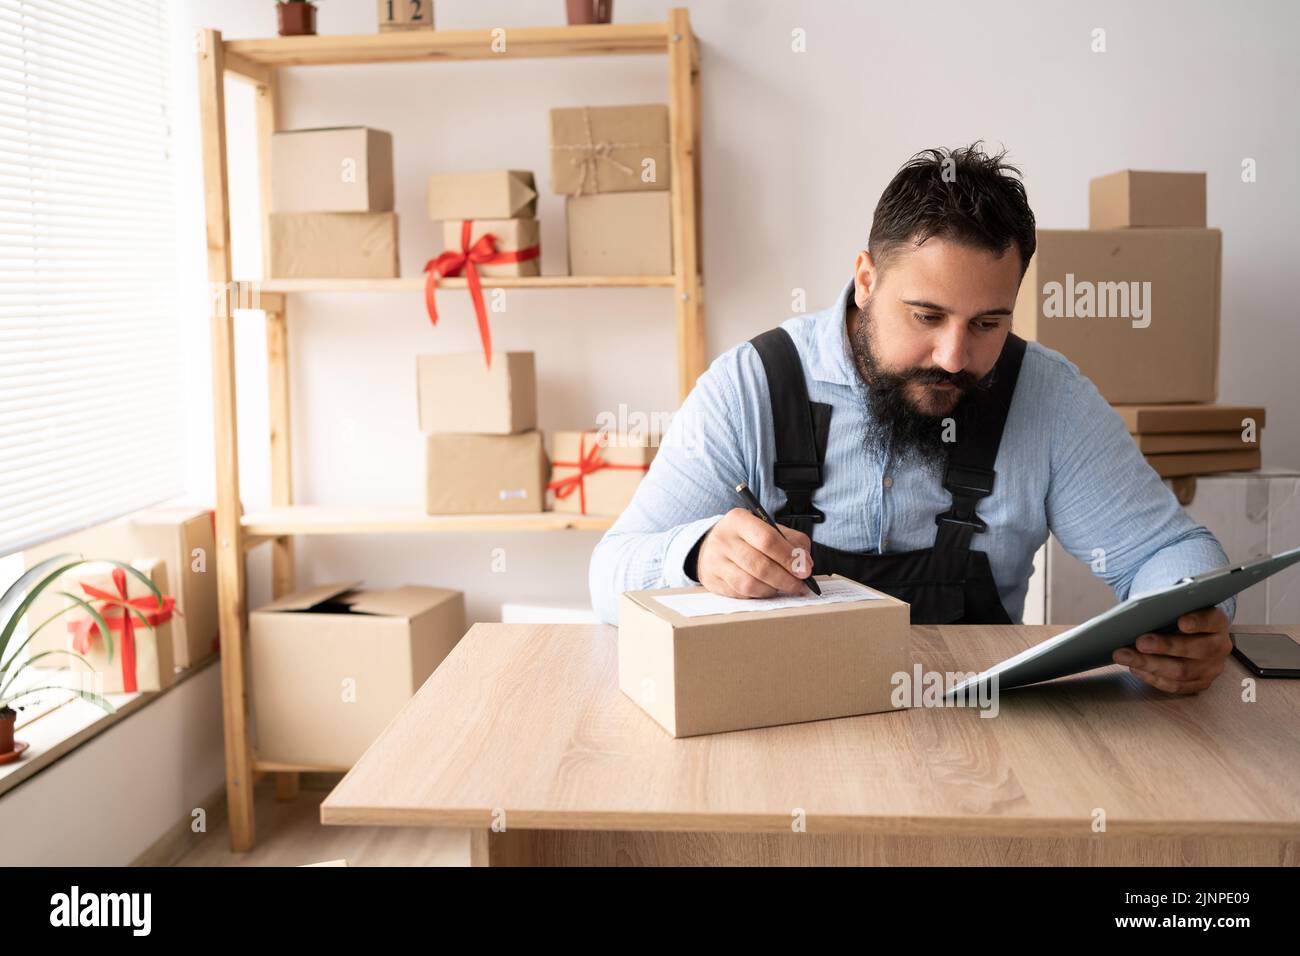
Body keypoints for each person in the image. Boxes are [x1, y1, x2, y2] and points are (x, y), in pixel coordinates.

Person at [589, 143, 1235, 695]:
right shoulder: (750, 386)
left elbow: (1175, 552)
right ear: (866, 279)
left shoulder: (1049, 400)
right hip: (781, 734)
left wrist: (1192, 615)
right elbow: (606, 574)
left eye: (988, 324)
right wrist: (696, 554)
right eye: (926, 316)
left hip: (982, 746)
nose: (955, 358)